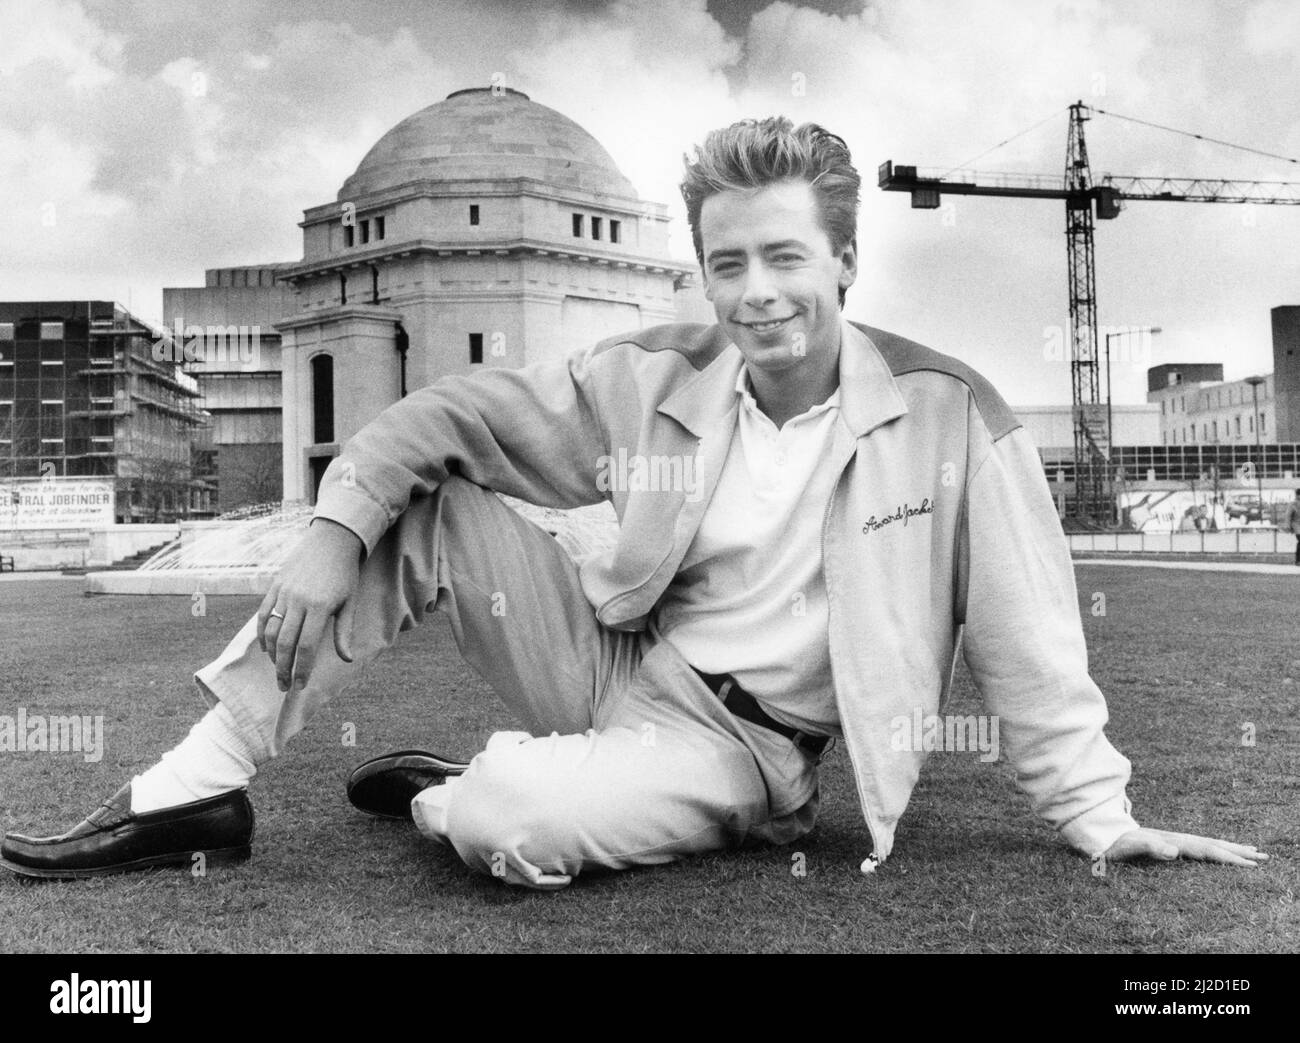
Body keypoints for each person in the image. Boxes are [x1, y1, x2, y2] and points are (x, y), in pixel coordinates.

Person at [2, 116, 1267, 888]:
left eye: (784, 258)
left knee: (506, 817)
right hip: (614, 661)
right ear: (701, 270)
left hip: (741, 748)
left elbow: (1030, 640)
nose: (757, 293)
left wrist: (1100, 817)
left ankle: (455, 791)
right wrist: (334, 532)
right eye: (728, 263)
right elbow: (441, 420)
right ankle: (193, 786)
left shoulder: (952, 417)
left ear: (843, 259)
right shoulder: (660, 373)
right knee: (426, 501)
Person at [1288, 489, 1300, 565]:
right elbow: (1288, 515)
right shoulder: (1293, 504)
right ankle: (1298, 560)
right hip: (1297, 526)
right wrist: (1289, 526)